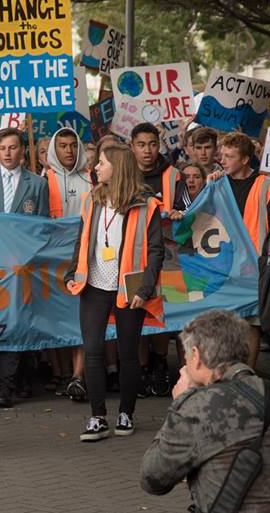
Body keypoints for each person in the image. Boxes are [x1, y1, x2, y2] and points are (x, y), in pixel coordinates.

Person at [141, 310, 270, 512]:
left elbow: (152, 479)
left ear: (196, 356)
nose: (185, 363)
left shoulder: (197, 408)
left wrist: (181, 402)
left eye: (186, 355)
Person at [64, 144, 164, 440]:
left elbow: (156, 252)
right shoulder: (90, 201)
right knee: (92, 351)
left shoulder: (147, 204)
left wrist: (145, 289)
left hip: (128, 288)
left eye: (102, 163)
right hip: (93, 286)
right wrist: (72, 272)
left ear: (117, 169)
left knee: (128, 353)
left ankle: (126, 413)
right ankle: (97, 417)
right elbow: (81, 241)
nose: (96, 168)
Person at [0, 128, 50, 408]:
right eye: (3, 148)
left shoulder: (37, 184)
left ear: (23, 151)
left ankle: (14, 381)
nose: (8, 153)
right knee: (1, 322)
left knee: (21, 321)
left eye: (13, 147)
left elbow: (43, 224)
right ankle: (8, 382)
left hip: (24, 264)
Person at [208, 131, 270, 370]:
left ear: (245, 159)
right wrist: (209, 188)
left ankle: (246, 372)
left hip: (255, 266)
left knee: (252, 322)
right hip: (224, 266)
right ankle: (224, 370)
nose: (223, 160)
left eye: (230, 156)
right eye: (223, 155)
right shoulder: (217, 183)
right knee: (224, 322)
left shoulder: (267, 185)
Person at [130, 122, 180, 397]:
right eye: (141, 144)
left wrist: (179, 213)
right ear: (132, 146)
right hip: (134, 257)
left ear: (158, 145)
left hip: (170, 257)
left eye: (152, 144)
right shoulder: (125, 174)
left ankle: (160, 363)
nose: (147, 150)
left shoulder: (174, 175)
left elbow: (188, 209)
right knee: (138, 307)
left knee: (164, 310)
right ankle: (142, 366)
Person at [45, 127, 94, 400]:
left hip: (84, 258)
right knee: (60, 318)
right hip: (54, 261)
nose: (68, 151)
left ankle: (78, 376)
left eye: (72, 146)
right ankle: (62, 372)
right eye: (62, 146)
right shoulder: (45, 179)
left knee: (81, 317)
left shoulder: (92, 178)